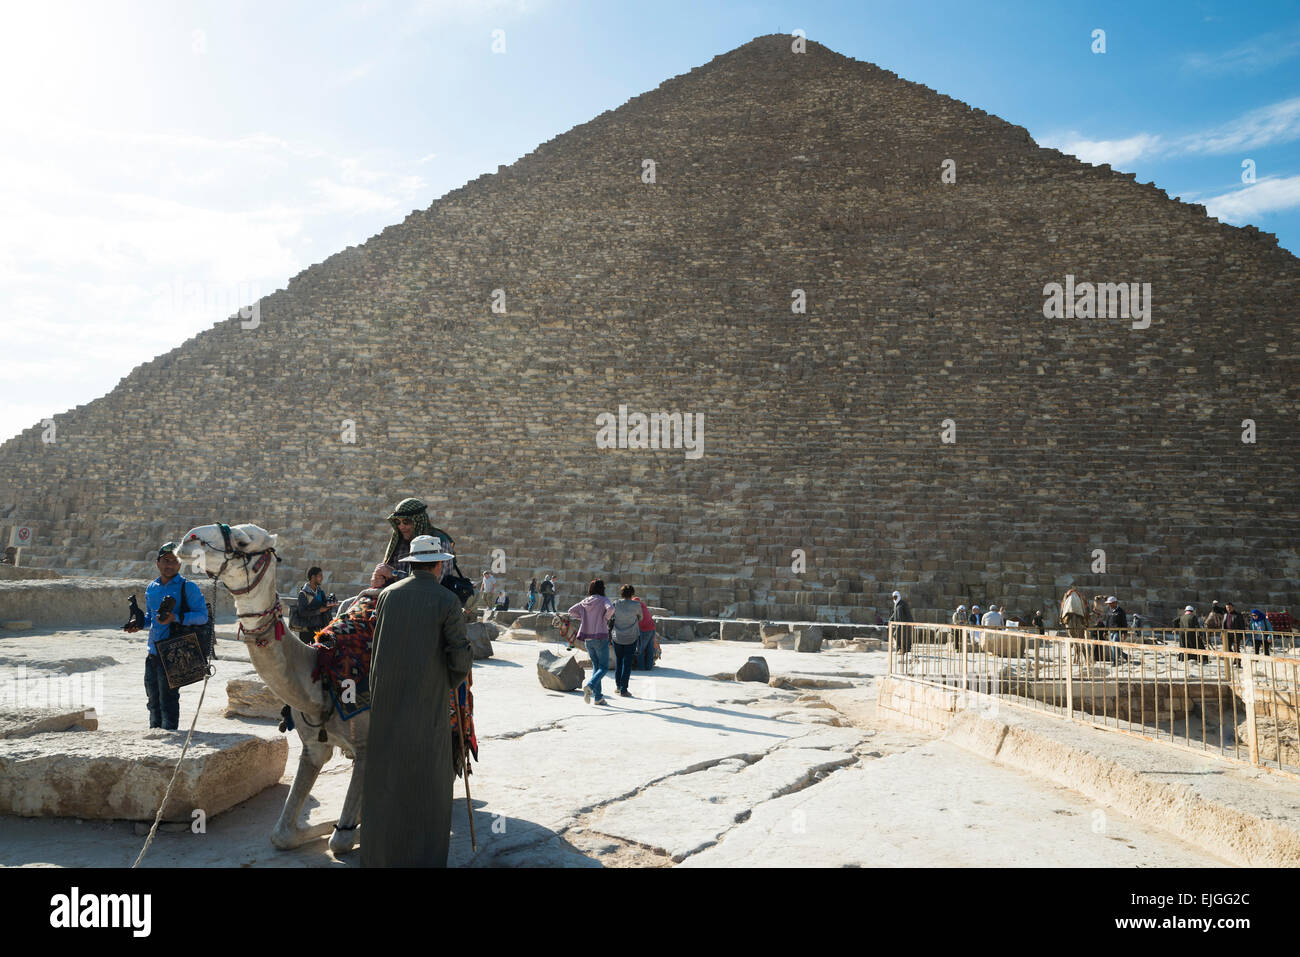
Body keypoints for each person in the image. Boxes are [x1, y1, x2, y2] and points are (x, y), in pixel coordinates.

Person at [361, 535, 472, 868]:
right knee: (428, 784)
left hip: (386, 705)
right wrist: (447, 681)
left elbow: (377, 649)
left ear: (410, 564)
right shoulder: (446, 600)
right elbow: (459, 659)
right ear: (439, 565)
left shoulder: (388, 596)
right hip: (428, 706)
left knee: (385, 782)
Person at [123, 542, 210, 730]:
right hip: (153, 652)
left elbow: (202, 616)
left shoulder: (189, 588)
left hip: (173, 651)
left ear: (180, 565)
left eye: (174, 561)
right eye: (165, 560)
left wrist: (175, 617)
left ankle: (169, 738)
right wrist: (139, 624)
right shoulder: (152, 588)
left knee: (168, 701)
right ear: (157, 563)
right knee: (152, 700)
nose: (169, 565)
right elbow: (151, 618)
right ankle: (156, 737)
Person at [381, 498, 454, 578]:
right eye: (397, 522)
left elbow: (430, 582)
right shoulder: (399, 542)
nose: (401, 526)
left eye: (406, 522)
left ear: (418, 521)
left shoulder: (437, 543)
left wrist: (394, 573)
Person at [568, 580, 614, 705]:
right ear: (602, 588)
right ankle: (590, 685)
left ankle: (598, 697)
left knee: (596, 667)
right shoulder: (603, 599)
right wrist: (604, 618)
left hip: (588, 639)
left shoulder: (585, 601)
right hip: (600, 637)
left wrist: (583, 618)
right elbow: (611, 609)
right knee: (603, 667)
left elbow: (571, 611)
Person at [610, 584, 644, 697]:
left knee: (619, 662)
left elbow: (611, 617)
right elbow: (640, 618)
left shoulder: (616, 603)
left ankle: (618, 686)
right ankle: (624, 689)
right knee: (627, 663)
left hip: (616, 636)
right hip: (631, 637)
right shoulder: (637, 605)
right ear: (632, 593)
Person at [293, 566, 338, 643]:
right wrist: (318, 611)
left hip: (321, 630)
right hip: (307, 632)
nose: (322, 578)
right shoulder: (303, 594)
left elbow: (325, 608)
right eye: (320, 576)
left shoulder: (320, 592)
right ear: (313, 577)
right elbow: (302, 613)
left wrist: (331, 605)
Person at [633, 590, 658, 669]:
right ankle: (649, 667)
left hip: (644, 630)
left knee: (640, 650)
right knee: (650, 649)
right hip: (652, 629)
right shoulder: (644, 606)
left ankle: (641, 667)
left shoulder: (635, 608)